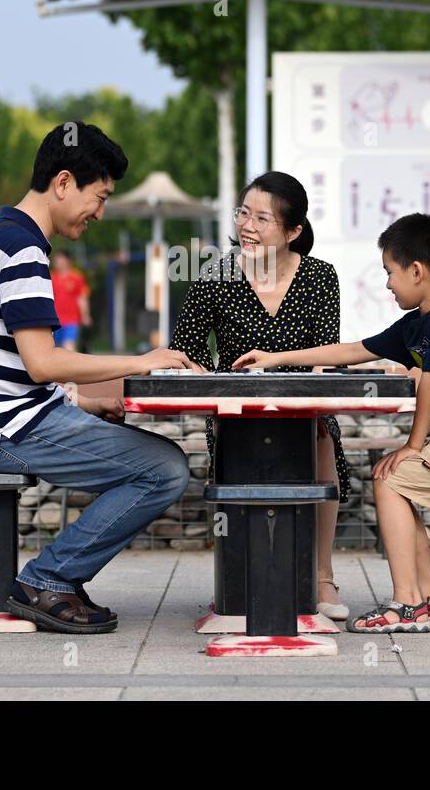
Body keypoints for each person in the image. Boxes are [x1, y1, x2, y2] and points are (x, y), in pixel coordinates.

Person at [0, 121, 198, 634]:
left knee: (157, 462)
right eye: (99, 197)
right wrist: (140, 361)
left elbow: (13, 366)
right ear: (63, 183)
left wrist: (80, 402)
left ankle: (53, 578)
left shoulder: (3, 236)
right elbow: (44, 363)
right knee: (164, 468)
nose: (100, 213)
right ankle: (47, 580)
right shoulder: (21, 249)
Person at [234, 213, 430, 633]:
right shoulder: (415, 325)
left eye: (390, 272)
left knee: (390, 479)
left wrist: (413, 446)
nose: (388, 284)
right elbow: (353, 350)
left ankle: (407, 605)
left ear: (417, 270)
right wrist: (276, 358)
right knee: (396, 482)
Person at [170, 171, 353, 621]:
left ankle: (322, 575)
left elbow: (325, 355)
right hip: (236, 410)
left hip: (303, 409)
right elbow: (186, 351)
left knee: (322, 434)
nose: (247, 227)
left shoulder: (319, 276)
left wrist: (310, 398)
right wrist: (212, 386)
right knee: (237, 440)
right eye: (243, 213)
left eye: (262, 219)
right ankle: (236, 578)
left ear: (293, 231)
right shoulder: (216, 275)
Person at [49, 250, 91, 351]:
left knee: (69, 346)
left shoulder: (77, 277)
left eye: (60, 259)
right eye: (56, 259)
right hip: (54, 320)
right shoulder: (50, 277)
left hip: (72, 320)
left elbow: (82, 298)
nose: (57, 261)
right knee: (56, 348)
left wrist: (85, 315)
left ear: (68, 261)